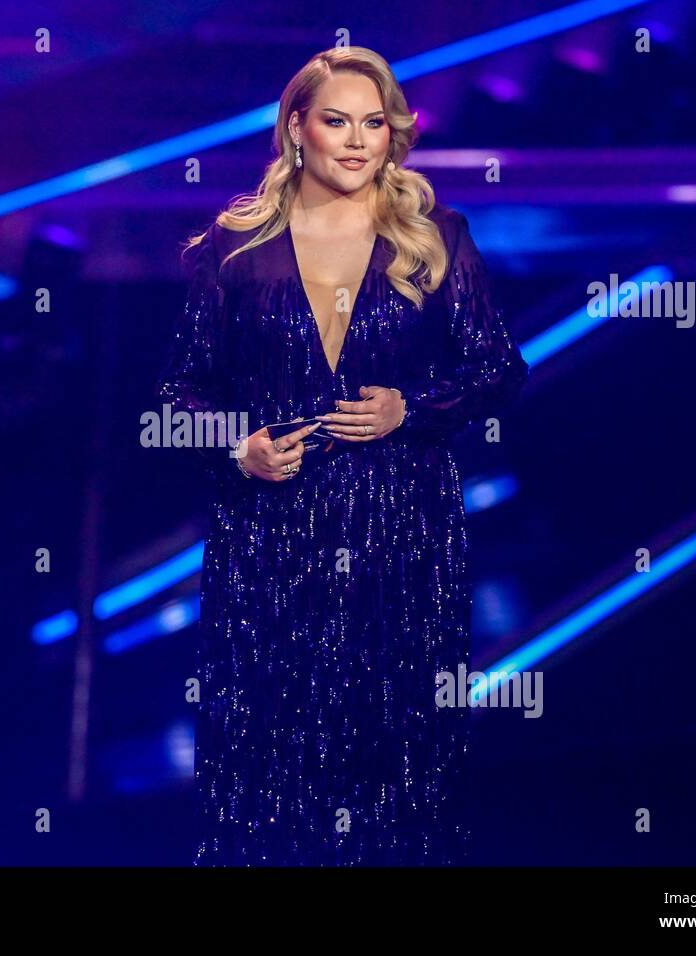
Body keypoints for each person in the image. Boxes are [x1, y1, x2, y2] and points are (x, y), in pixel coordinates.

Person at [157, 48, 528, 865]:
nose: (358, 141)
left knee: (399, 749)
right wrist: (239, 448)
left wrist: (411, 408)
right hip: (269, 536)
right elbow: (178, 396)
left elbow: (499, 369)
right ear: (297, 129)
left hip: (404, 531)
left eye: (374, 123)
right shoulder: (233, 247)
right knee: (267, 749)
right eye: (337, 121)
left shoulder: (436, 238)